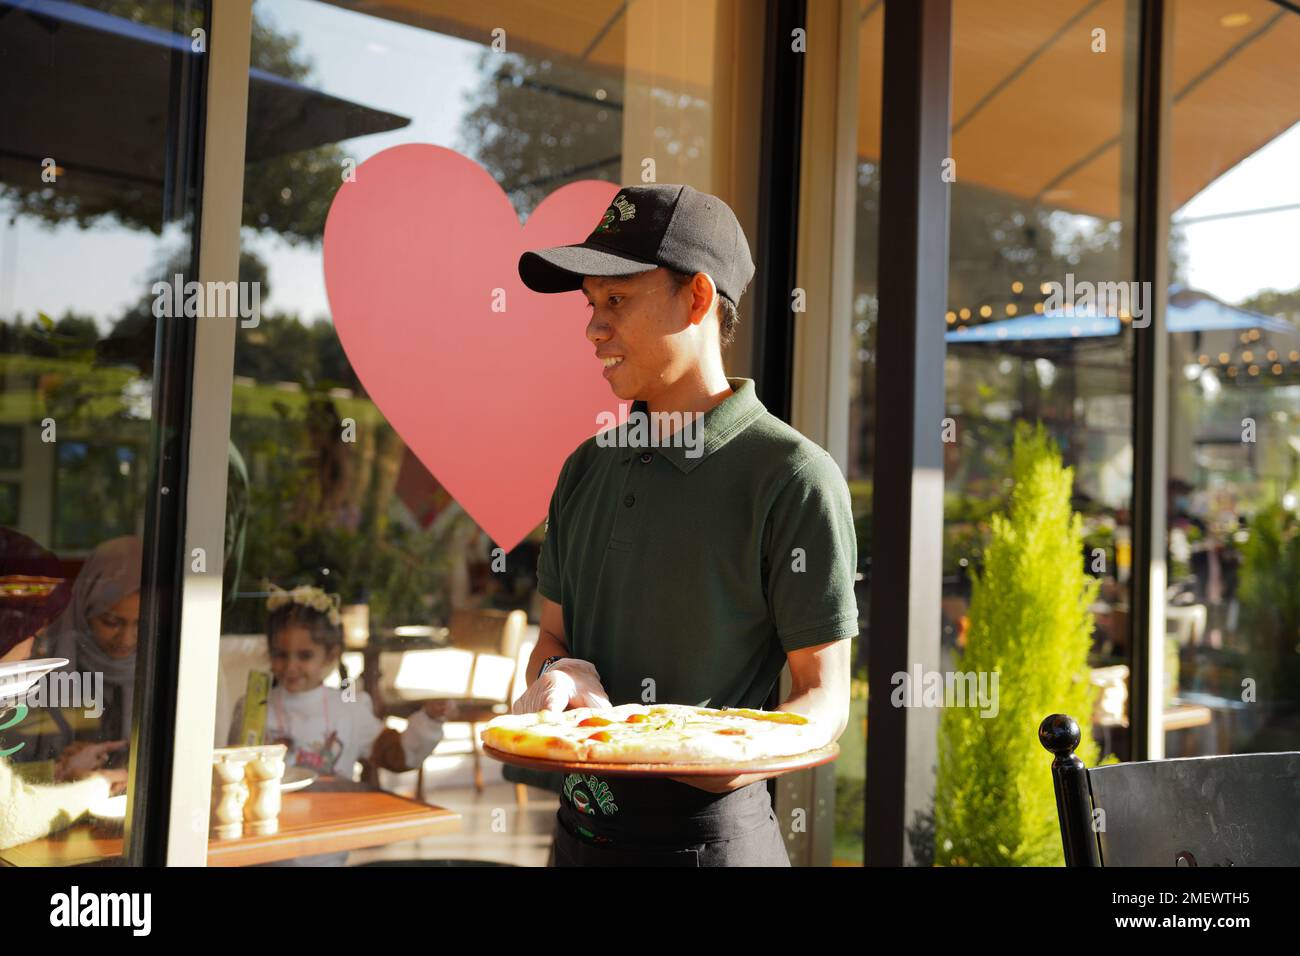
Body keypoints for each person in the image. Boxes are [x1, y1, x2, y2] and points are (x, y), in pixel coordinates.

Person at [516, 184, 857, 866]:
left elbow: (823, 696)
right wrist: (558, 672)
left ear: (698, 298)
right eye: (591, 304)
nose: (593, 328)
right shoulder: (584, 468)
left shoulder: (792, 476)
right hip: (577, 838)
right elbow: (551, 634)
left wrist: (717, 750)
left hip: (708, 845)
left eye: (617, 300)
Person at [23, 535, 143, 773]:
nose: (127, 640)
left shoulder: (174, 665)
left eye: (142, 624)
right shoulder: (43, 663)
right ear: (84, 611)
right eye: (111, 622)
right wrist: (58, 768)